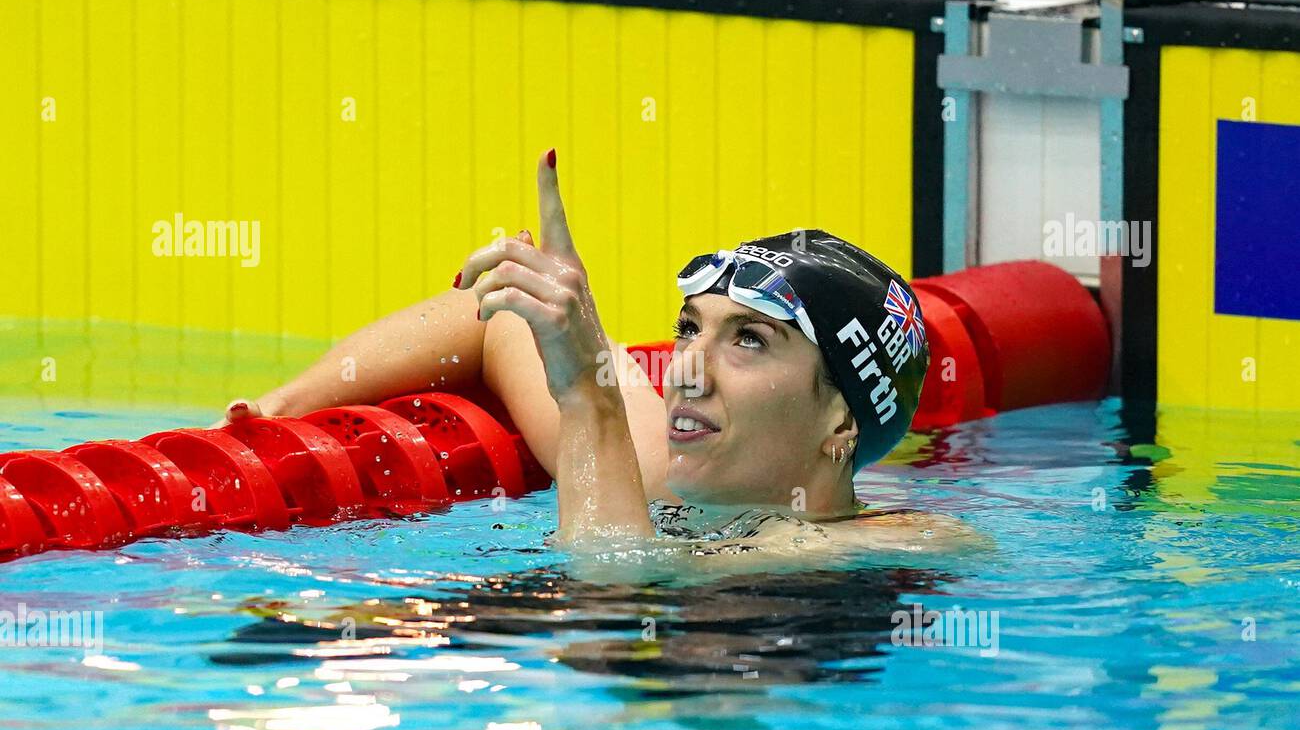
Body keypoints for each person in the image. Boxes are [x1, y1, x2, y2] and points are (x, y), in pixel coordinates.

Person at [219, 149, 976, 557]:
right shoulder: (662, 469)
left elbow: (608, 589)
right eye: (690, 327)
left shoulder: (876, 551)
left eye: (747, 339)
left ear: (842, 418)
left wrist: (586, 388)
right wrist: (285, 408)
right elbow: (497, 321)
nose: (684, 368)